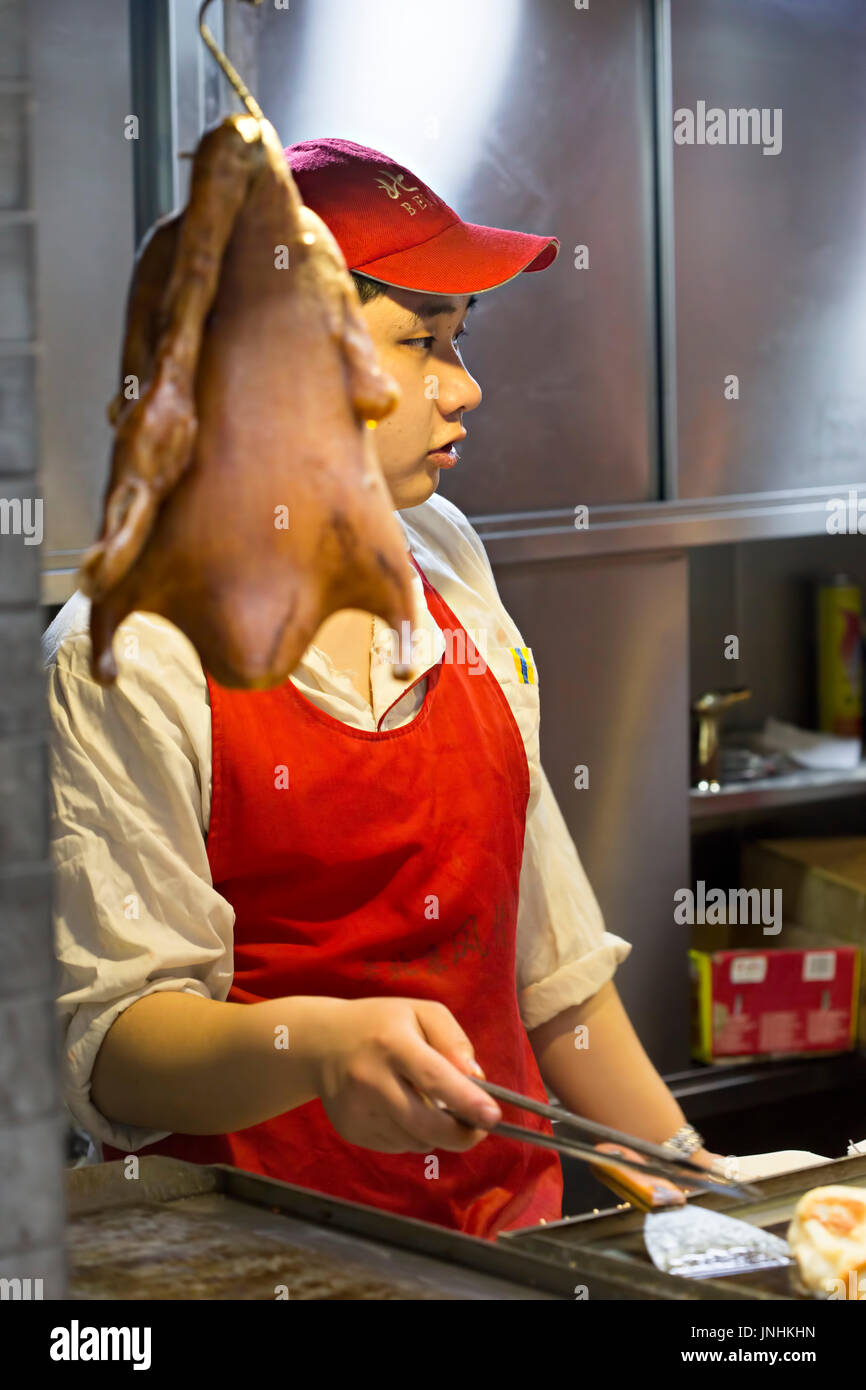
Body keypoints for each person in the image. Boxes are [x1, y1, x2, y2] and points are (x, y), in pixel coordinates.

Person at [46, 138, 722, 1242]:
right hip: (262, 1258)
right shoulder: (130, 651)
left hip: (500, 1240)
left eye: (459, 342)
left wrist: (697, 1175)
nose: (465, 389)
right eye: (420, 342)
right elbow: (117, 1048)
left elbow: (543, 957)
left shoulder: (443, 558)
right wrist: (318, 1047)